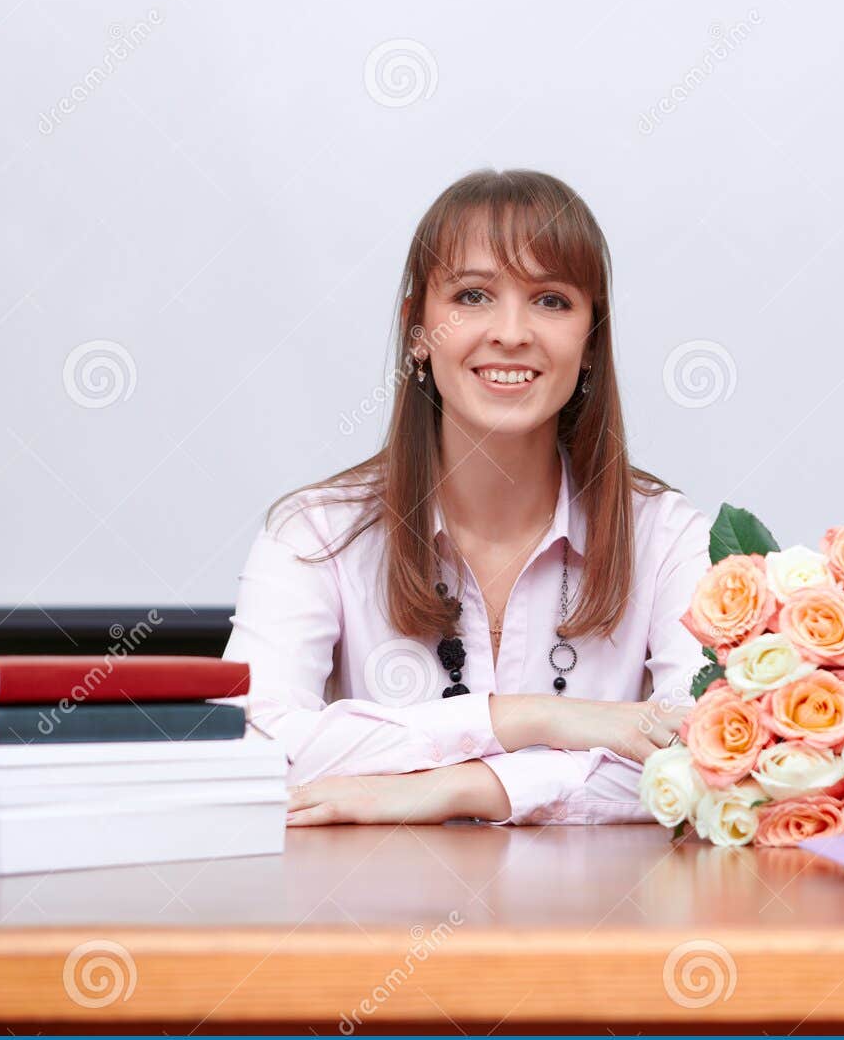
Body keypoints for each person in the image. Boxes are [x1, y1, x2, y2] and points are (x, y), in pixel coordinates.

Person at [221, 168, 710, 826]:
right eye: (473, 295)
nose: (511, 331)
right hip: (377, 923)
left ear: (591, 342)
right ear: (418, 332)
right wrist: (536, 717)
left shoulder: (668, 535)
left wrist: (463, 787)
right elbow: (249, 748)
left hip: (599, 924)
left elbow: (710, 755)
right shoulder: (314, 533)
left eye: (551, 300)